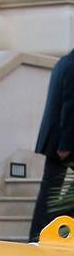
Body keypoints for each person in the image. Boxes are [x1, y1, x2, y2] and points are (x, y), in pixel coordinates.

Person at [29, 47, 74, 241]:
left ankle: (38, 236)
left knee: (49, 189)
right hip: (63, 143)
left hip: (53, 139)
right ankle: (43, 234)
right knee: (51, 191)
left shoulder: (64, 62)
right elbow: (70, 109)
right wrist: (65, 146)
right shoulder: (72, 66)